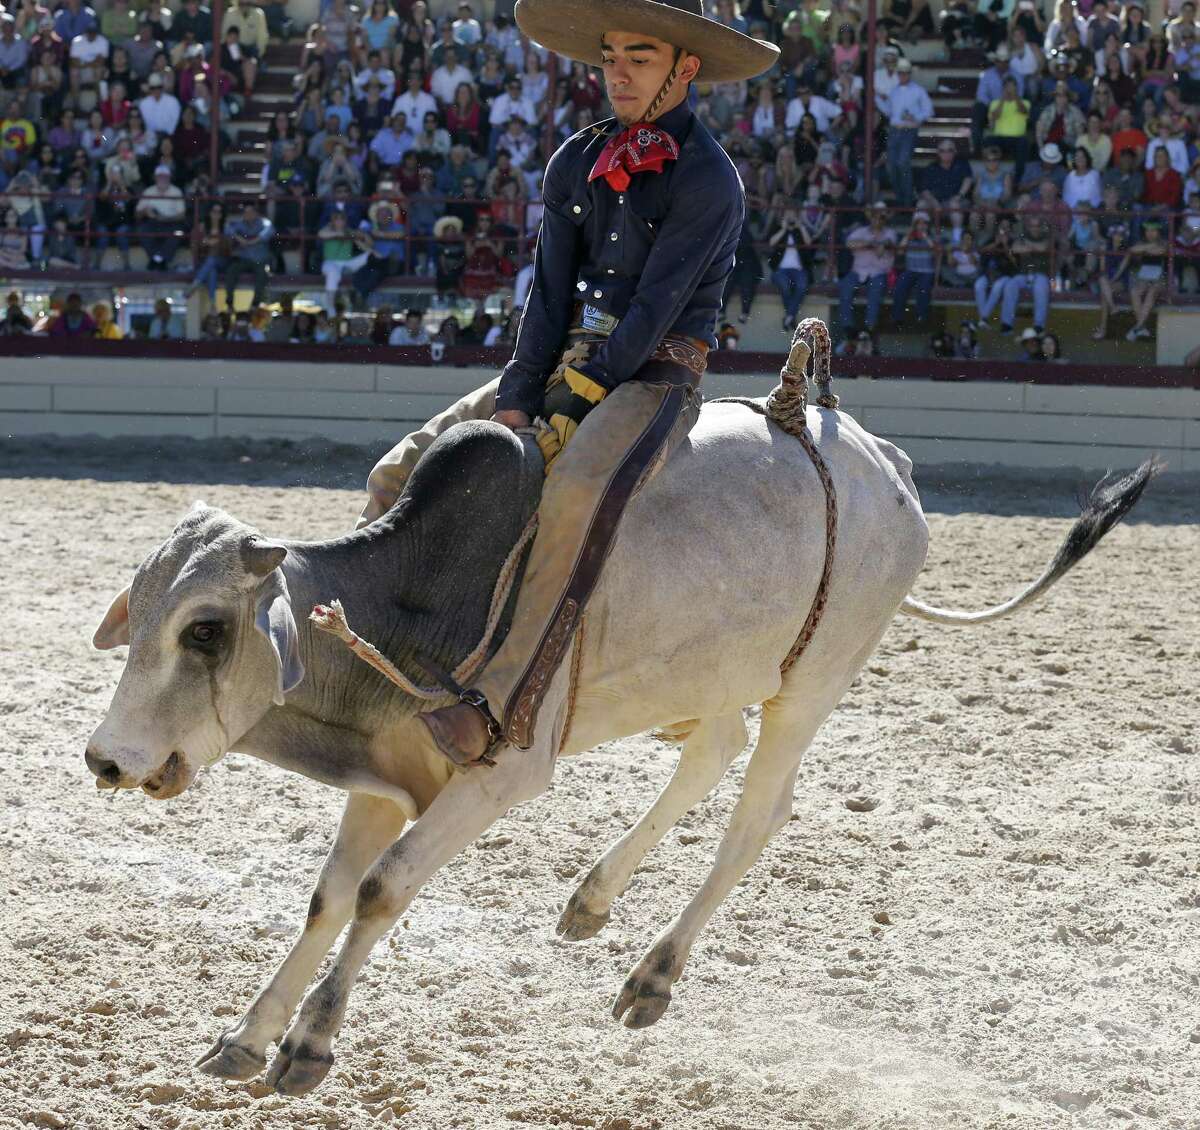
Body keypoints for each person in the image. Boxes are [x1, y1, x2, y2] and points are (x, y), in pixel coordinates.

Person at [357, 0, 776, 769]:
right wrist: (520, 394)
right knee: (401, 470)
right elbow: (547, 296)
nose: (617, 71)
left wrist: (578, 397)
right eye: (610, 55)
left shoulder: (710, 178)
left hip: (655, 375)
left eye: (639, 56)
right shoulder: (575, 158)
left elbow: (654, 310)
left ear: (685, 69)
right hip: (562, 359)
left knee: (572, 493)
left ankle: (499, 703)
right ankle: (374, 651)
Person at [836, 201, 897, 348]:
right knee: (845, 286)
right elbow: (849, 244)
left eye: (881, 217)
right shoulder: (861, 231)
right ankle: (848, 327)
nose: (878, 219)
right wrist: (870, 243)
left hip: (879, 272)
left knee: (876, 289)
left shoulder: (890, 232)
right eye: (875, 216)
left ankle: (870, 326)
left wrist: (875, 244)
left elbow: (886, 246)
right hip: (858, 271)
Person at [876, 58, 931, 207]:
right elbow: (888, 110)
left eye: (905, 73)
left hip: (909, 130)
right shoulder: (893, 91)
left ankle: (907, 199)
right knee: (891, 165)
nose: (903, 76)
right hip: (895, 130)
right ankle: (901, 197)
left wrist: (915, 117)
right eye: (900, 73)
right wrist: (878, 99)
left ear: (909, 74)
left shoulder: (919, 91)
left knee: (902, 162)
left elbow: (928, 110)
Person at [224, 199, 272, 309]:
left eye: (250, 212)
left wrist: (252, 241)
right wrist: (239, 238)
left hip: (259, 260)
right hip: (244, 259)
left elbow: (268, 232)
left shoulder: (264, 222)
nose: (247, 215)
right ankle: (230, 302)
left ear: (256, 213)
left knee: (262, 274)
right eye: (245, 212)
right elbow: (227, 229)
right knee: (231, 270)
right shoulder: (240, 224)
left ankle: (255, 303)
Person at [767, 207, 809, 332]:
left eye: (793, 215)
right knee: (784, 286)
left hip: (798, 269)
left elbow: (808, 242)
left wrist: (800, 227)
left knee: (802, 286)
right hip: (780, 270)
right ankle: (791, 316)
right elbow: (771, 242)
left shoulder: (799, 230)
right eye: (787, 215)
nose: (790, 218)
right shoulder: (778, 228)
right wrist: (784, 229)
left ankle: (789, 316)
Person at [1125, 217, 1166, 340]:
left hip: (1161, 277)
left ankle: (1138, 327)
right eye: (1148, 230)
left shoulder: (1164, 241)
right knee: (1134, 291)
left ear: (1159, 232)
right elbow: (1132, 249)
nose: (1150, 233)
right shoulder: (1141, 242)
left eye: (1153, 230)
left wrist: (1145, 248)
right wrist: (1150, 246)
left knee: (1151, 292)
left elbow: (1160, 251)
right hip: (1144, 276)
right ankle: (1141, 328)